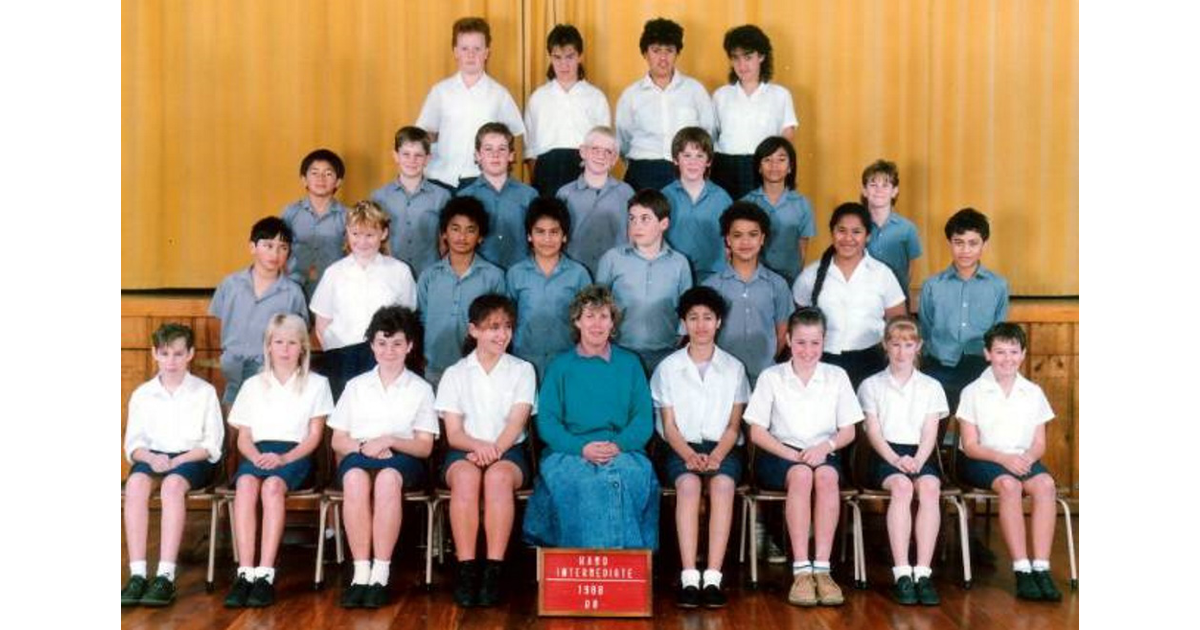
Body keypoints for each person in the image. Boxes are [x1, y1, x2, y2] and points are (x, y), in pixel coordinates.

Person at [522, 285, 659, 550]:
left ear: (612, 323)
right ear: (577, 321)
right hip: (569, 451)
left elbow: (643, 420)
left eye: (604, 316)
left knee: (624, 477)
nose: (597, 324)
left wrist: (618, 445)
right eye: (589, 316)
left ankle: (622, 570)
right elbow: (547, 423)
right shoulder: (560, 366)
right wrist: (580, 448)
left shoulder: (630, 363)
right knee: (584, 482)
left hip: (622, 449)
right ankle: (587, 568)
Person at [744, 307, 863, 608]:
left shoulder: (837, 376)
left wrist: (825, 447)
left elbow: (848, 430)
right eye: (800, 342)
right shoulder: (772, 377)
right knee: (801, 474)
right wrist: (793, 456)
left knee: (825, 475)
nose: (807, 350)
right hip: (780, 455)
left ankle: (822, 569)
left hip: (823, 454)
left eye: (815, 343)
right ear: (787, 340)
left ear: (824, 341)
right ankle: (800, 570)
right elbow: (757, 432)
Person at [328, 306, 437, 609]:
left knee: (388, 480)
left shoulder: (421, 389)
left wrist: (390, 440)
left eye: (397, 343)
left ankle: (380, 574)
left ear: (410, 346)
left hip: (403, 459)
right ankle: (360, 573)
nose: (389, 351)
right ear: (372, 345)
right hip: (360, 454)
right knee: (354, 478)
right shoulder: (356, 386)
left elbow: (425, 447)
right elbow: (338, 439)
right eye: (382, 343)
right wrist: (366, 446)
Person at [224, 314, 334, 608]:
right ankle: (245, 572)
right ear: (268, 347)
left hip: (295, 455)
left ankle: (266, 575)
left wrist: (284, 457)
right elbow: (243, 438)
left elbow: (314, 437)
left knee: (272, 487)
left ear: (303, 348)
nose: (285, 349)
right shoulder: (252, 385)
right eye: (279, 342)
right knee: (246, 483)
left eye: (292, 342)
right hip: (258, 453)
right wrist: (258, 457)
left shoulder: (317, 384)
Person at [650, 286, 749, 609]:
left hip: (723, 446)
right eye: (693, 318)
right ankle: (690, 575)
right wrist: (689, 455)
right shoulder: (668, 367)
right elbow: (669, 426)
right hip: (681, 446)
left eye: (708, 317)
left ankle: (714, 578)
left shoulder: (734, 368)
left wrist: (718, 455)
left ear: (719, 322)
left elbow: (734, 425)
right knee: (689, 486)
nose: (701, 324)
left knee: (722, 485)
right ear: (683, 322)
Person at [435, 295, 536, 607]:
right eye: (493, 327)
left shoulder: (523, 370)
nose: (501, 334)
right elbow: (453, 433)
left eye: (507, 327)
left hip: (509, 452)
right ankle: (466, 570)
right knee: (466, 480)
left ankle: (494, 570)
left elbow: (516, 422)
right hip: (464, 450)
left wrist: (494, 452)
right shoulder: (455, 373)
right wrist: (481, 448)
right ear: (473, 330)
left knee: (497, 480)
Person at [957, 323, 1063, 602]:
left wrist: (1026, 458)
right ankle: (1021, 569)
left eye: (1013, 352)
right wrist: (1004, 459)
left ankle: (1041, 567)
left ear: (1023, 354)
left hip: (1021, 458)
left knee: (1046, 484)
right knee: (1009, 486)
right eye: (1000, 352)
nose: (1007, 359)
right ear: (987, 354)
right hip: (984, 458)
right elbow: (970, 445)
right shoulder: (973, 391)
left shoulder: (1033, 391)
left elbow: (1039, 442)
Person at [122, 323, 224, 607]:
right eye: (165, 353)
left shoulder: (204, 392)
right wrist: (151, 458)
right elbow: (134, 443)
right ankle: (138, 575)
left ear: (190, 354)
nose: (171, 361)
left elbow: (212, 444)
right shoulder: (143, 394)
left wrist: (179, 460)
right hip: (154, 456)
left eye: (179, 354)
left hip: (192, 458)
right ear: (155, 353)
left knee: (172, 485)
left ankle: (165, 576)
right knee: (136, 484)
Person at [857, 316, 948, 606]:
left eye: (908, 345)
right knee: (902, 488)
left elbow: (930, 432)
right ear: (885, 345)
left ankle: (922, 572)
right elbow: (873, 432)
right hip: (884, 454)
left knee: (930, 488)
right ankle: (902, 574)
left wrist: (918, 461)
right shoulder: (871, 385)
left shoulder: (931, 386)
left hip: (919, 454)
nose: (901, 352)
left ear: (918, 347)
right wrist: (897, 460)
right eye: (895, 344)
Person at [793, 202, 907, 389]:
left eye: (856, 232)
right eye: (841, 230)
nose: (848, 238)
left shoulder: (882, 274)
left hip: (872, 362)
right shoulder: (810, 274)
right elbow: (800, 320)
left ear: (868, 236)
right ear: (832, 233)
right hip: (822, 362)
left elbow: (898, 323)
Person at [310, 201, 417, 399]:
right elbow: (322, 323)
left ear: (383, 234)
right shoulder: (334, 273)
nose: (362, 242)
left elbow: (407, 320)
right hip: (342, 358)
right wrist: (336, 352)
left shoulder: (399, 271)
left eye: (369, 235)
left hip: (385, 357)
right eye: (356, 234)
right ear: (347, 234)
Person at [209, 217, 309, 408]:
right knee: (232, 425)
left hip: (270, 372)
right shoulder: (230, 285)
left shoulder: (293, 292)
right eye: (268, 245)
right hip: (233, 368)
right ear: (253, 247)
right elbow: (218, 321)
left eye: (283, 247)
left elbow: (300, 333)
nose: (275, 253)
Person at [416, 16, 525, 191]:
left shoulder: (499, 94)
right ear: (455, 51)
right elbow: (425, 133)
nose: (471, 54)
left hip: (481, 180)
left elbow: (511, 137)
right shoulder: (440, 92)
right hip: (440, 178)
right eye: (464, 48)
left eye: (477, 48)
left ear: (487, 52)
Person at [919, 208, 1009, 413]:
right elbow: (926, 328)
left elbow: (999, 331)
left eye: (973, 243)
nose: (965, 250)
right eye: (958, 242)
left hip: (982, 368)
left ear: (984, 244)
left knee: (978, 434)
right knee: (932, 433)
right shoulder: (932, 285)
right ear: (950, 243)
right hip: (939, 367)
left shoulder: (998, 286)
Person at [596, 189, 692, 374]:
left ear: (664, 223)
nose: (636, 225)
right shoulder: (612, 259)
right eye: (632, 219)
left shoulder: (680, 263)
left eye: (645, 219)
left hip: (666, 354)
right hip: (620, 352)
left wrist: (680, 336)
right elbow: (598, 306)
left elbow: (687, 308)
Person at [615, 17, 714, 192]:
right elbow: (623, 141)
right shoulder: (631, 95)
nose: (663, 58)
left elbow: (708, 133)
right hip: (642, 172)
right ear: (645, 54)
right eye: (656, 50)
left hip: (686, 172)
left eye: (669, 50)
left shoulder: (695, 90)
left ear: (677, 53)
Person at [417, 197, 507, 386]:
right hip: (435, 369)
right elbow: (421, 322)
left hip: (480, 370)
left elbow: (500, 328)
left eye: (470, 230)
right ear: (444, 234)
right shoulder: (429, 277)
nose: (462, 237)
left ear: (481, 236)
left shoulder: (494, 277)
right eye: (455, 229)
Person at [703, 201, 791, 385]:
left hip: (765, 378)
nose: (745, 242)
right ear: (727, 239)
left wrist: (765, 360)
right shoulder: (710, 287)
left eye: (753, 235)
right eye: (737, 235)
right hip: (722, 379)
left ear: (762, 239)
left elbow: (782, 332)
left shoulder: (778, 284)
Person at [505, 196, 592, 378]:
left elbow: (589, 322)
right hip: (523, 362)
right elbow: (507, 322)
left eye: (554, 232)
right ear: (529, 235)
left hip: (568, 361)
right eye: (540, 231)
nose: (547, 239)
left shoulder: (579, 274)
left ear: (564, 235)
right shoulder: (515, 274)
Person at [711, 25, 798, 201]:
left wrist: (772, 167)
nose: (742, 65)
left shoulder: (780, 95)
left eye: (748, 57)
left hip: (762, 168)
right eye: (736, 58)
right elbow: (712, 134)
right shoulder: (721, 95)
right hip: (725, 168)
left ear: (762, 57)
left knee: (760, 221)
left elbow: (787, 134)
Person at [524, 24, 611, 196]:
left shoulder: (596, 97)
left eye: (570, 57)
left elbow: (605, 143)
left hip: (585, 169)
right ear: (550, 57)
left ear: (580, 56)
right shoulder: (538, 98)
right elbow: (530, 150)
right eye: (557, 57)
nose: (564, 65)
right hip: (547, 172)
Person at [370, 126, 452, 280]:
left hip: (429, 275)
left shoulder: (442, 196)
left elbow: (445, 241)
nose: (412, 161)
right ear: (395, 156)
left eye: (418, 156)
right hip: (390, 276)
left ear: (427, 159)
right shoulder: (379, 197)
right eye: (406, 154)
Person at [457, 122, 539, 270]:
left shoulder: (529, 196)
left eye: (502, 149)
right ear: (477, 156)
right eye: (488, 149)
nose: (495, 155)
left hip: (520, 275)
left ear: (511, 155)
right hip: (480, 277)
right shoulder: (464, 197)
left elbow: (537, 241)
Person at [555, 125, 635, 277]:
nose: (601, 156)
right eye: (595, 149)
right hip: (574, 273)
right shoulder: (565, 194)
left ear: (614, 159)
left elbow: (633, 235)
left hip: (616, 272)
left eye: (608, 152)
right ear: (583, 152)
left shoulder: (626, 192)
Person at [661, 126, 733, 283]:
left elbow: (731, 240)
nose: (692, 162)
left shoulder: (722, 198)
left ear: (708, 161)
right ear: (675, 159)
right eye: (687, 155)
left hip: (713, 275)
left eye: (699, 156)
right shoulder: (664, 196)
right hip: (673, 275)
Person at [741, 136, 815, 285]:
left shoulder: (802, 204)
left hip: (790, 280)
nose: (774, 165)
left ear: (790, 167)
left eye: (781, 159)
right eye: (767, 159)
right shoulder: (746, 203)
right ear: (759, 167)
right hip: (754, 280)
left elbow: (802, 248)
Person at [281, 148, 349, 299]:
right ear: (304, 179)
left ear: (338, 181)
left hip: (334, 288)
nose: (321, 179)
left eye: (328, 174)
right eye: (314, 173)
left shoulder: (348, 216)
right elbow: (279, 249)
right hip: (295, 287)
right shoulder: (290, 213)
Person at [861, 159, 922, 305]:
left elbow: (913, 267)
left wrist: (898, 292)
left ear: (895, 191)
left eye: (885, 185)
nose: (879, 190)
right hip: (864, 300)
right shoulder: (857, 227)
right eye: (873, 184)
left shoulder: (907, 228)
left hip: (897, 301)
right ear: (864, 191)